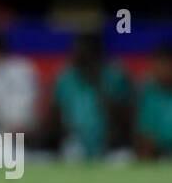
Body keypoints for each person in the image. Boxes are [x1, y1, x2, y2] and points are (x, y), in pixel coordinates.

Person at [47, 31, 134, 159]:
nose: (81, 57)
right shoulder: (65, 78)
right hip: (74, 145)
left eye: (87, 54)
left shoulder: (115, 76)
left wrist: (99, 85)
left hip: (112, 146)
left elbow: (127, 119)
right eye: (78, 52)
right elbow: (55, 117)